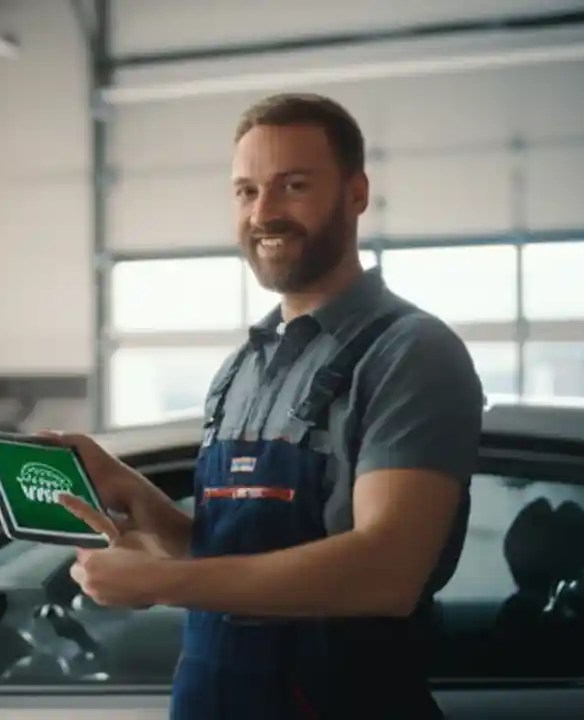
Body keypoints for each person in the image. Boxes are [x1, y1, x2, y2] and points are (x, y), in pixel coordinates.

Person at [50, 93, 484, 719]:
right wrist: (128, 487)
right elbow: (227, 559)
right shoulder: (243, 368)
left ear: (356, 193)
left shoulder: (411, 354)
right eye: (246, 192)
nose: (265, 213)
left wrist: (159, 584)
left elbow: (386, 571)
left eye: (294, 186)